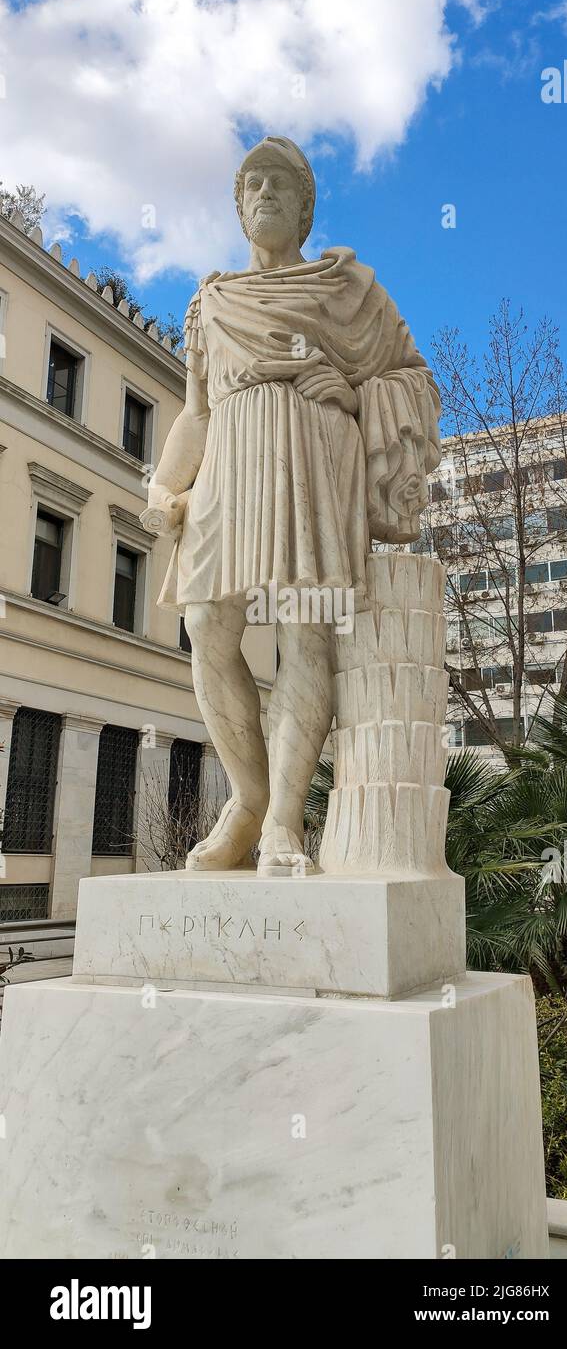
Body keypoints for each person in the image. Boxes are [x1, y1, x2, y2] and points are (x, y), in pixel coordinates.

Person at [143, 136, 441, 876]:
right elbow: (197, 410)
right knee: (208, 623)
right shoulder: (211, 299)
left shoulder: (347, 290)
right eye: (252, 186)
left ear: (306, 208)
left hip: (315, 459)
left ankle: (282, 823)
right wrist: (162, 482)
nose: (265, 194)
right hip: (228, 463)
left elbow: (414, 378)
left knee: (308, 634)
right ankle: (246, 802)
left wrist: (356, 393)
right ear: (240, 209)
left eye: (281, 185)